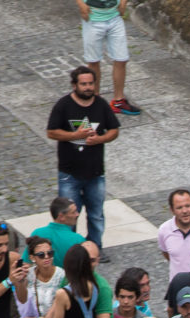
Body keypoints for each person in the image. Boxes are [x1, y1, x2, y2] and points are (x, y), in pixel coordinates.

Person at [44, 67, 119, 260]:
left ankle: (95, 249)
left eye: (90, 83)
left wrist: (100, 139)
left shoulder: (101, 105)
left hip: (95, 173)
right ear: (74, 85)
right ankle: (71, 251)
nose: (87, 87)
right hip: (69, 174)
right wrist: (74, 135)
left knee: (96, 215)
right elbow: (52, 132)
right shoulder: (63, 105)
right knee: (68, 216)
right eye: (83, 84)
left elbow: (114, 130)